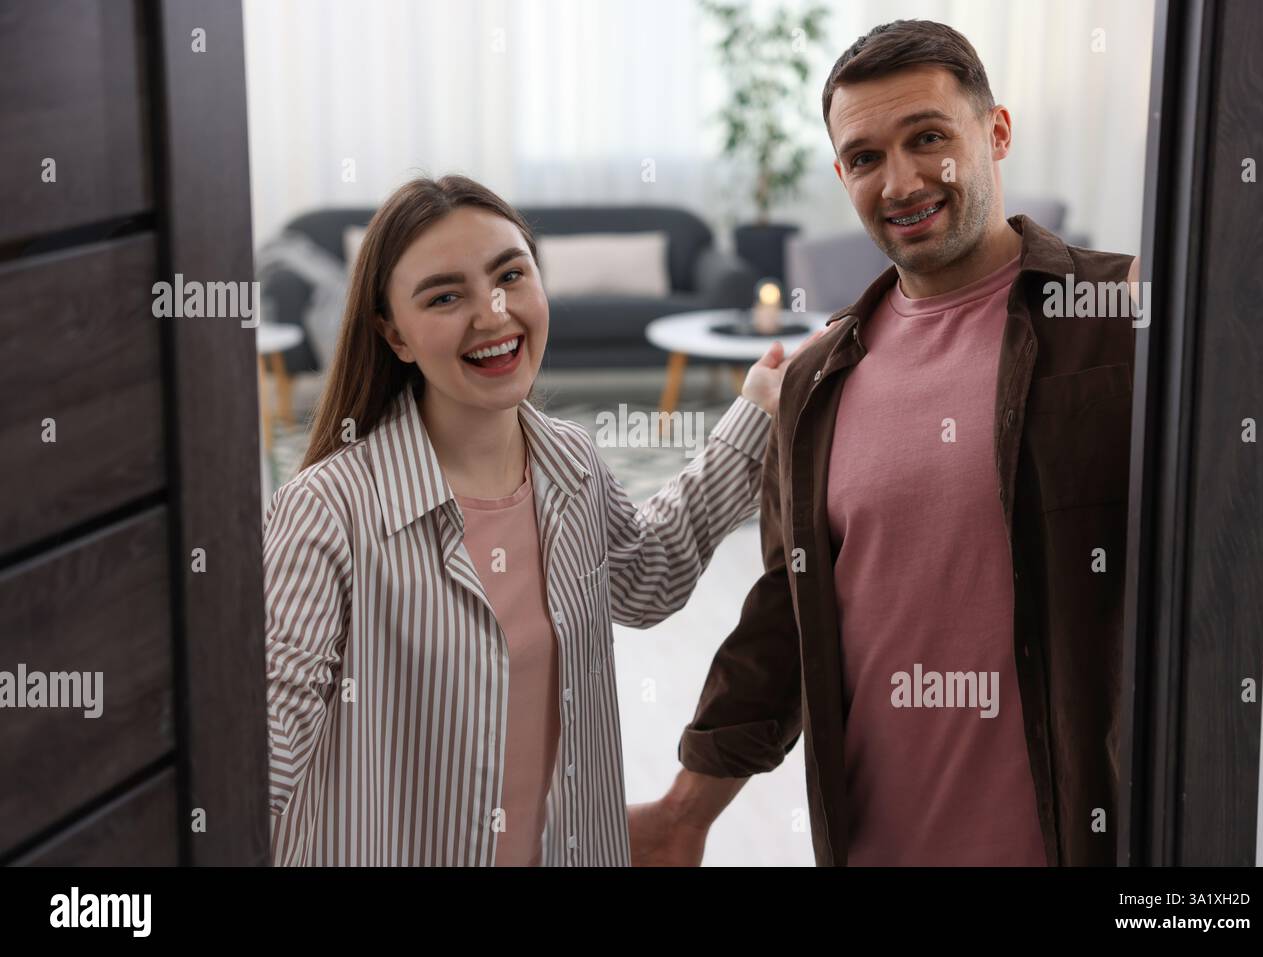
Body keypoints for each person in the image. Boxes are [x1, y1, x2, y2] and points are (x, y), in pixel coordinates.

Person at [630, 19, 1139, 866]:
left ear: (996, 132)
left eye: (928, 138)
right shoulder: (815, 380)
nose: (900, 181)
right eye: (865, 157)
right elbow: (785, 619)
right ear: (841, 174)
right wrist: (689, 808)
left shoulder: (1120, 313)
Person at [262, 174, 821, 865]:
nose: (493, 315)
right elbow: (265, 755)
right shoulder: (327, 510)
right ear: (394, 335)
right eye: (445, 296)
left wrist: (758, 409)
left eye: (510, 275)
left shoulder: (568, 460)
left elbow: (648, 575)